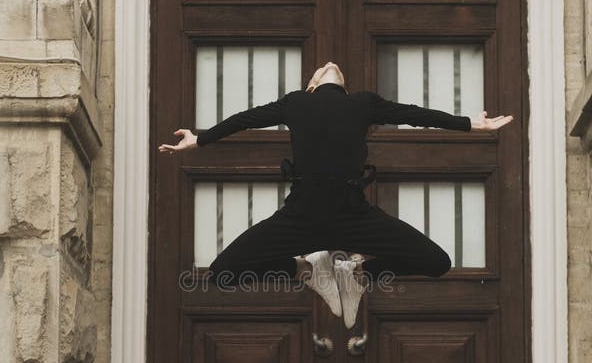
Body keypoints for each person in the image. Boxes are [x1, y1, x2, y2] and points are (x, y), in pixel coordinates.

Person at [159, 62, 514, 328]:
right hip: (300, 218)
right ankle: (307, 267)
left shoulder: (362, 103)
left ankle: (357, 274)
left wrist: (472, 123)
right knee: (224, 272)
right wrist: (199, 140)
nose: (330, 63)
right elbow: (244, 120)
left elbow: (413, 115)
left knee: (437, 262)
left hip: (353, 217)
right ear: (312, 86)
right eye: (322, 69)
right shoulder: (295, 102)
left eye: (335, 67)